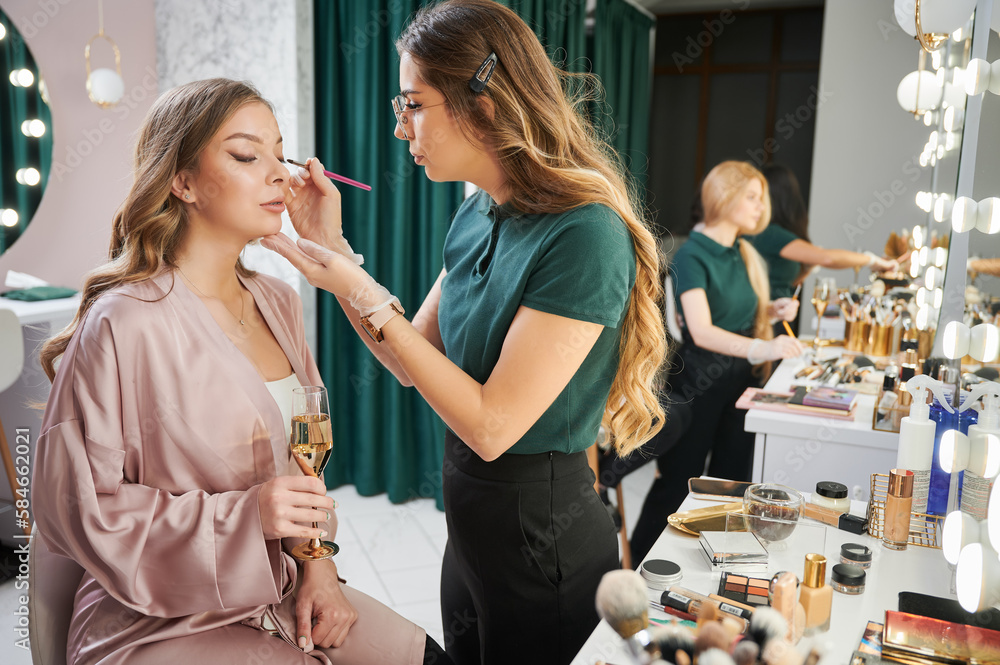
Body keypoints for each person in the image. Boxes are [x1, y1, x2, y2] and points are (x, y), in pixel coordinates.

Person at [260, 2, 666, 663]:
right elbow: (406, 358)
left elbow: (493, 424)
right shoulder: (477, 212)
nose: (401, 128)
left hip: (543, 540)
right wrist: (335, 250)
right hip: (472, 533)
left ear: (484, 103)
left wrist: (356, 287)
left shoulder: (584, 234)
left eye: (414, 104)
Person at [32, 78, 443, 665]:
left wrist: (319, 566)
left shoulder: (278, 300)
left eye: (280, 152)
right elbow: (79, 507)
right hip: (154, 617)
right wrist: (247, 516)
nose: (279, 173)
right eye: (248, 155)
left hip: (276, 587)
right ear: (182, 181)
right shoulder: (124, 323)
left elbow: (310, 445)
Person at [627, 161, 805, 564]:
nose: (762, 207)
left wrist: (772, 313)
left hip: (742, 385)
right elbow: (703, 331)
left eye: (763, 199)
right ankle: (640, 563)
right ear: (723, 197)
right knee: (679, 482)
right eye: (753, 197)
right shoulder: (692, 255)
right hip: (698, 382)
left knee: (732, 483)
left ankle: (715, 562)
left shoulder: (744, 251)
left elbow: (736, 317)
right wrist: (761, 348)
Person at [749, 164, 898, 302]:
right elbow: (828, 258)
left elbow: (787, 282)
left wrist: (807, 268)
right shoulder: (769, 234)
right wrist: (874, 260)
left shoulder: (774, 234)